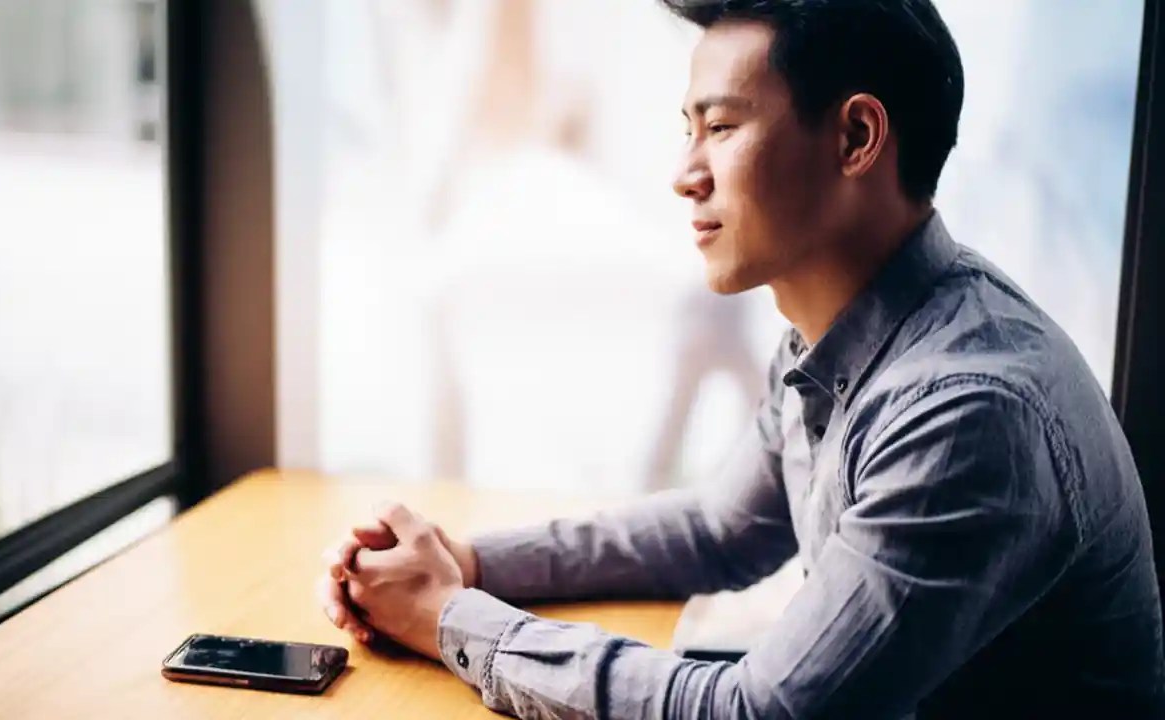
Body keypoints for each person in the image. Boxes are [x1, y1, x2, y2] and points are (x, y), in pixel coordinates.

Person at [316, 1, 1165, 717]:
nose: (685, 174)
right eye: (688, 131)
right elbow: (717, 531)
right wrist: (467, 564)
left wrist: (450, 619)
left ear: (857, 137)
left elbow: (758, 713)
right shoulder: (839, 334)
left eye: (721, 127)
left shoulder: (968, 412)